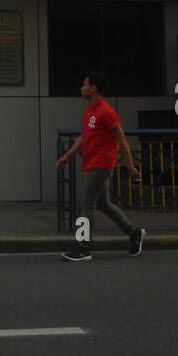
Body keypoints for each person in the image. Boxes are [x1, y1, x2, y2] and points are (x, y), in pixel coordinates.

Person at [57, 68, 145, 260]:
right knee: (103, 204)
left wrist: (129, 166)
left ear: (94, 88)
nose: (81, 88)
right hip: (91, 163)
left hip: (102, 164)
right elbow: (83, 137)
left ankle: (83, 247)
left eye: (84, 84)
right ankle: (133, 233)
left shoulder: (106, 112)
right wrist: (67, 156)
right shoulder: (89, 111)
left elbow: (122, 140)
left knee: (87, 204)